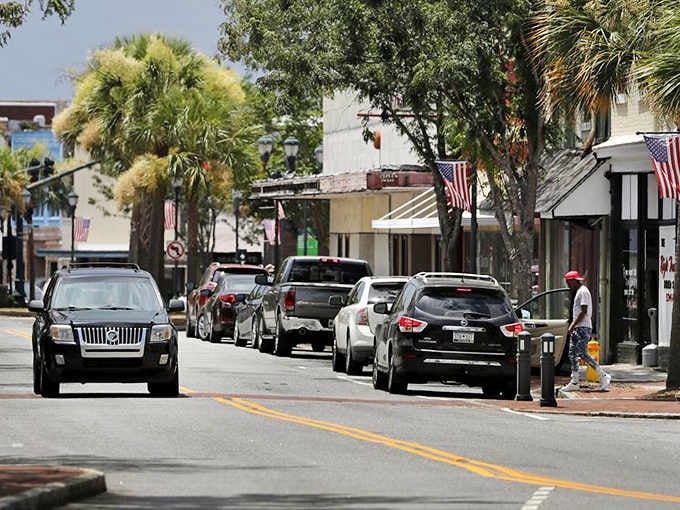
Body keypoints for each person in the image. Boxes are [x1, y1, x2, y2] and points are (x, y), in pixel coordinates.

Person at [562, 270, 611, 391]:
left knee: (582, 353)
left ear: (574, 281)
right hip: (579, 327)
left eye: (568, 282)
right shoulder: (579, 291)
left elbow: (584, 311)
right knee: (572, 354)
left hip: (582, 327)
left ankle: (603, 375)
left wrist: (573, 325)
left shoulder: (583, 291)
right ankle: (575, 381)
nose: (568, 285)